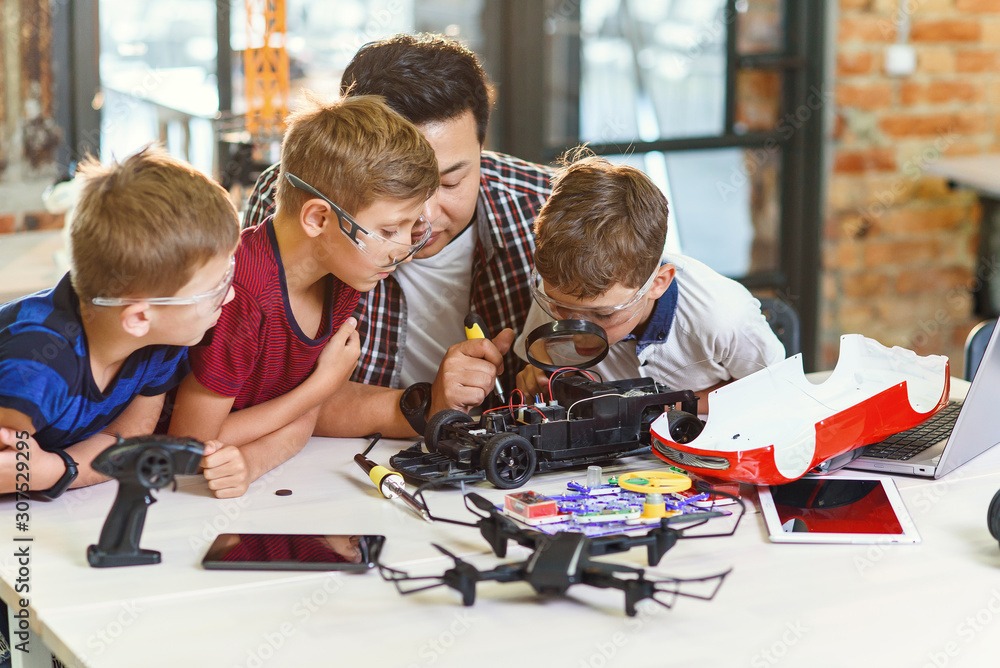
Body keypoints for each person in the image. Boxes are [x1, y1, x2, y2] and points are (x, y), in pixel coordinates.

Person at [242, 33, 553, 438]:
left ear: (483, 150)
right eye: (399, 187)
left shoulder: (544, 207)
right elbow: (264, 389)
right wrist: (428, 405)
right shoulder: (299, 198)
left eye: (450, 181)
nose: (422, 218)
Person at [168, 94, 440, 498]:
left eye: (410, 228)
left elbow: (303, 421)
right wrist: (323, 385)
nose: (401, 250)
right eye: (387, 231)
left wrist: (258, 460)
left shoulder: (345, 275)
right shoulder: (241, 293)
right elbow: (187, 445)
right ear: (318, 218)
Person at [0, 146, 240, 496]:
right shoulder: (36, 369)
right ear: (140, 316)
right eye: (214, 289)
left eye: (227, 276)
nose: (230, 296)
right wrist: (46, 471)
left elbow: (124, 440)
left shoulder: (162, 340)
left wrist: (56, 470)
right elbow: (10, 470)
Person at [515, 153, 785, 411]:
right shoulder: (562, 290)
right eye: (561, 309)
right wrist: (538, 377)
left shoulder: (721, 316)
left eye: (602, 314)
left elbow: (774, 385)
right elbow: (542, 359)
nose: (576, 329)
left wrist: (655, 406)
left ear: (658, 283)